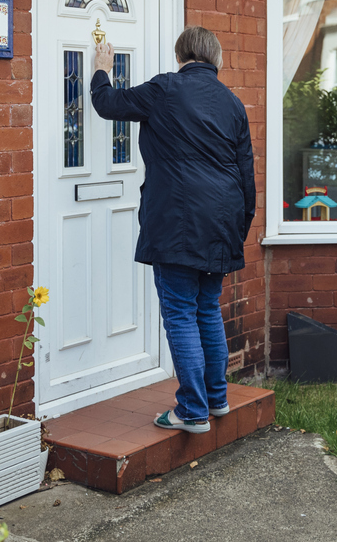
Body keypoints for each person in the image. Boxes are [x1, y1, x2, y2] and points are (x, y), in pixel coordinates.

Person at [90, 26, 255, 434]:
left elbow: (108, 104)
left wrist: (100, 69)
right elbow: (247, 176)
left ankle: (192, 411)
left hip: (177, 224)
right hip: (222, 223)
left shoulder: (165, 89)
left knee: (181, 314)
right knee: (206, 310)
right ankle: (216, 401)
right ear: (216, 59)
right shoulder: (233, 104)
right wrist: (239, 227)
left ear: (182, 56)